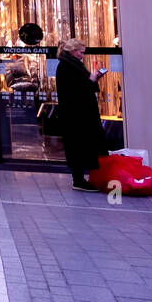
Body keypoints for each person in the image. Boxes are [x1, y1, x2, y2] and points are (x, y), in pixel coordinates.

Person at [56, 37, 108, 192]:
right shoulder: (68, 66)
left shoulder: (70, 65)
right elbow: (76, 91)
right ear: (72, 51)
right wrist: (91, 80)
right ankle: (78, 179)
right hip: (77, 115)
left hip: (78, 114)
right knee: (78, 146)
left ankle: (81, 178)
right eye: (80, 52)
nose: (82, 55)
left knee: (79, 146)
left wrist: (92, 80)